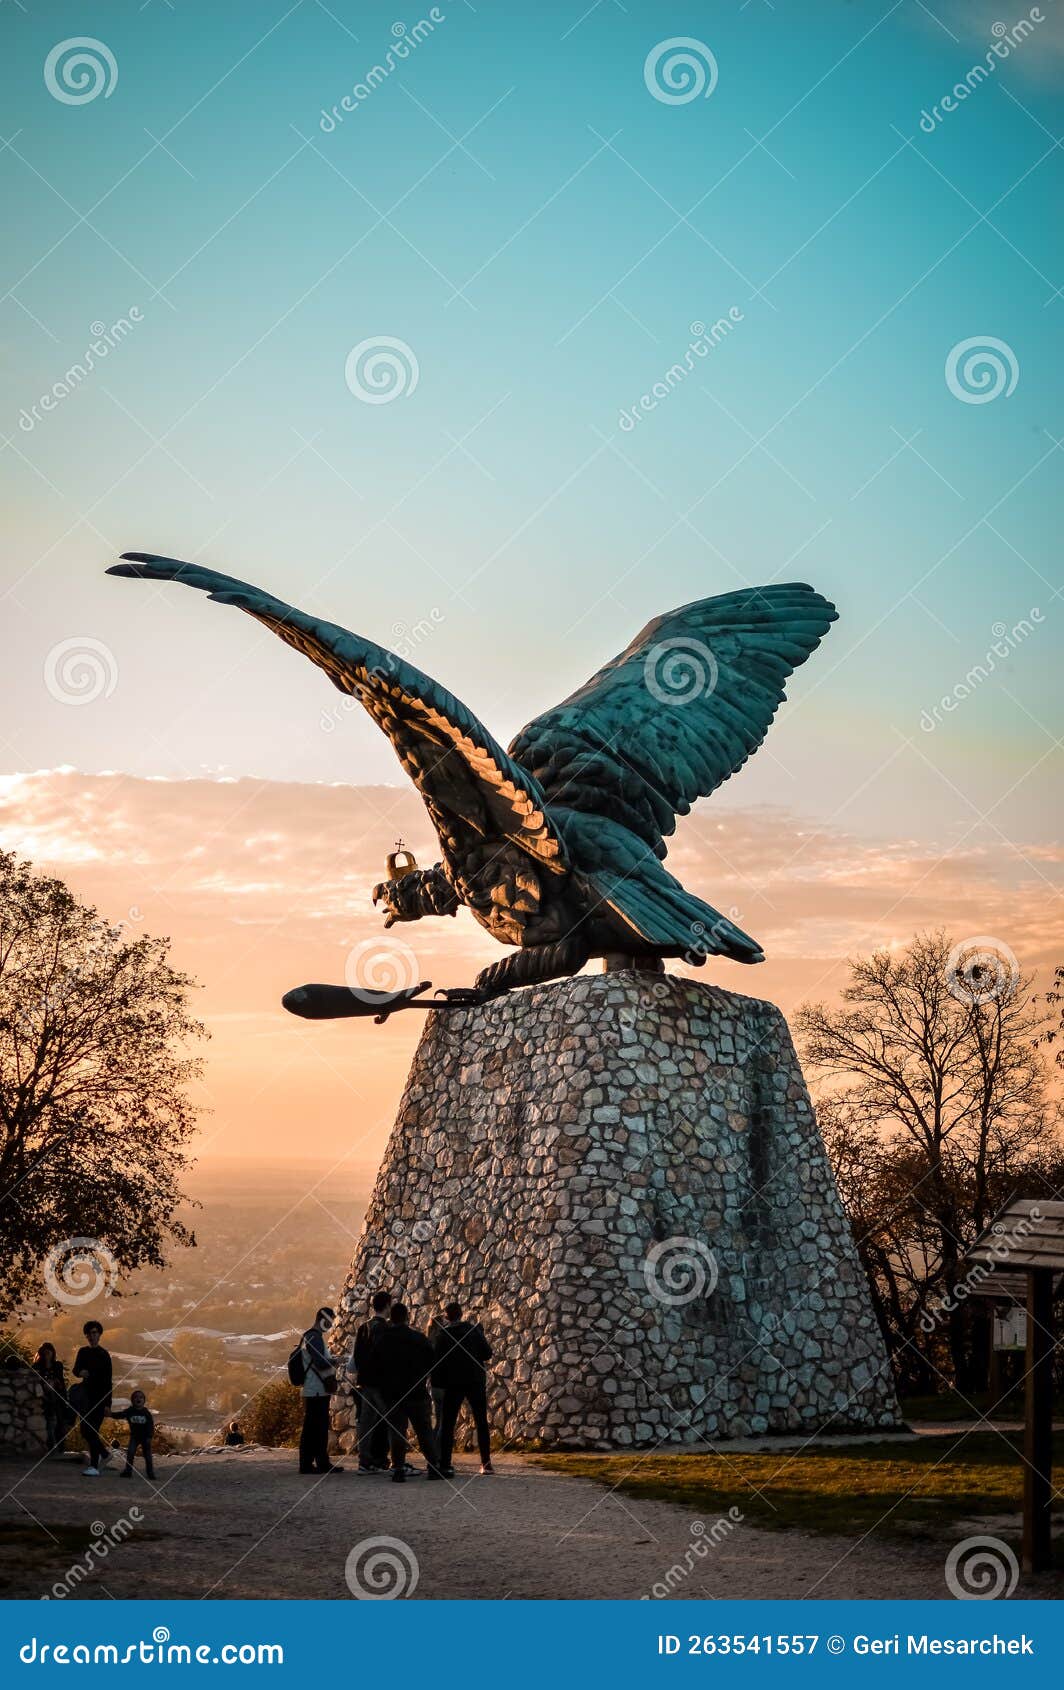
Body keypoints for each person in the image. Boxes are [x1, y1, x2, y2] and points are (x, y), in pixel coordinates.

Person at [372, 1304, 442, 1484]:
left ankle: (398, 1470)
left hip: (393, 1394)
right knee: (424, 1431)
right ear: (406, 1317)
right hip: (416, 1392)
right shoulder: (418, 1338)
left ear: (391, 1318)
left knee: (397, 1433)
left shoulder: (383, 1340)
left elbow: (376, 1366)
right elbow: (432, 1362)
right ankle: (434, 1467)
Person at [434, 1302, 494, 1476]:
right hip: (475, 1380)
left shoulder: (443, 1335)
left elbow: (438, 1362)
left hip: (453, 1384)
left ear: (446, 1318)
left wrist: (438, 1384)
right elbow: (487, 1354)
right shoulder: (473, 1331)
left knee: (447, 1424)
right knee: (481, 1421)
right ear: (461, 1314)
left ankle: (445, 1463)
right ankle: (486, 1463)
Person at [351, 1290, 393, 1473]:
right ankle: (387, 1460)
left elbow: (357, 1357)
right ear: (387, 1306)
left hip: (365, 1382)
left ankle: (364, 1461)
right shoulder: (386, 1329)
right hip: (382, 1383)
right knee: (391, 1421)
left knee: (366, 1422)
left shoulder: (363, 1328)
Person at [299, 1306, 344, 1476]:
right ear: (323, 1319)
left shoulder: (307, 1336)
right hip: (317, 1389)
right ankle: (318, 1463)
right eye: (330, 1322)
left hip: (311, 1388)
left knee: (311, 1427)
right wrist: (335, 1361)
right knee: (317, 1427)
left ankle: (309, 1463)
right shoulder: (315, 1338)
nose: (330, 1326)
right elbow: (319, 1362)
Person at [70, 1320, 113, 1477]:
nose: (92, 1336)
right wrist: (80, 1373)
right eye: (89, 1333)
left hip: (100, 1399)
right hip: (85, 1398)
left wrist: (108, 1404)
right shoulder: (83, 1352)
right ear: (86, 1336)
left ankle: (94, 1465)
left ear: (99, 1334)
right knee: (86, 1431)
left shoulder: (104, 1355)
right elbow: (75, 1370)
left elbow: (108, 1381)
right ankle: (104, 1455)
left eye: (94, 1332)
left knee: (91, 1430)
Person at [31, 1343, 70, 1454]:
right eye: (45, 1352)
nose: (48, 1354)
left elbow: (61, 1382)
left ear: (53, 1353)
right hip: (45, 1398)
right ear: (42, 1353)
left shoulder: (57, 1365)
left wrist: (56, 1384)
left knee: (59, 1423)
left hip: (57, 1397)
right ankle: (51, 1447)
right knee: (50, 1422)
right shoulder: (37, 1367)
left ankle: (60, 1448)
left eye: (49, 1352)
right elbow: (36, 1384)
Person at [112, 1389, 156, 1480]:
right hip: (134, 1437)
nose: (138, 1399)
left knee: (147, 1456)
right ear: (132, 1400)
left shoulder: (146, 1413)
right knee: (130, 1453)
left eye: (141, 1397)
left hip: (145, 1438)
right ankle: (128, 1471)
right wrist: (110, 1414)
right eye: (136, 1397)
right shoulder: (130, 1411)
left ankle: (150, 1473)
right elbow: (120, 1414)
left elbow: (150, 1425)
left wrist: (149, 1436)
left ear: (144, 1400)